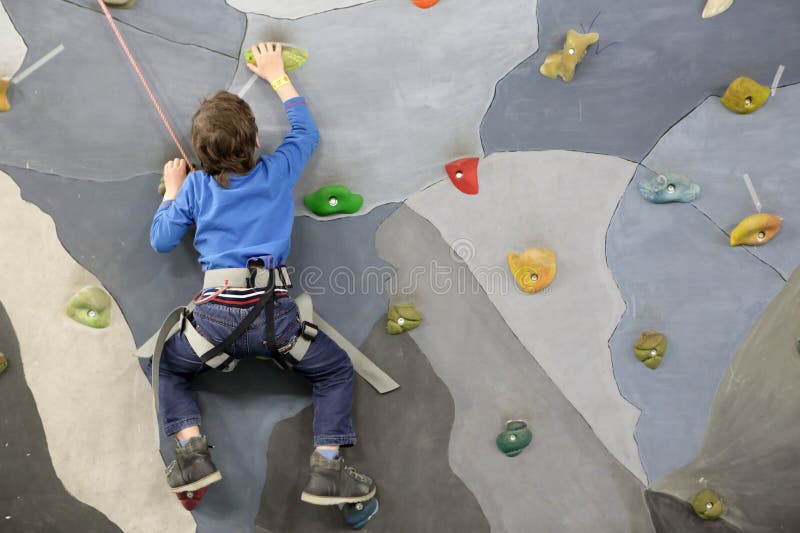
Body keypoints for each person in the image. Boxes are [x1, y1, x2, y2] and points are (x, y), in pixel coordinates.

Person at [146, 42, 376, 506]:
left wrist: (172, 192)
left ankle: (191, 451)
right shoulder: (275, 171)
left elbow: (162, 240)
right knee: (333, 371)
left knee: (166, 369)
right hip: (277, 323)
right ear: (255, 143)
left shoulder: (194, 187)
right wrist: (276, 75)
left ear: (200, 157)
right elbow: (307, 132)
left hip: (213, 325)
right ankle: (327, 468)